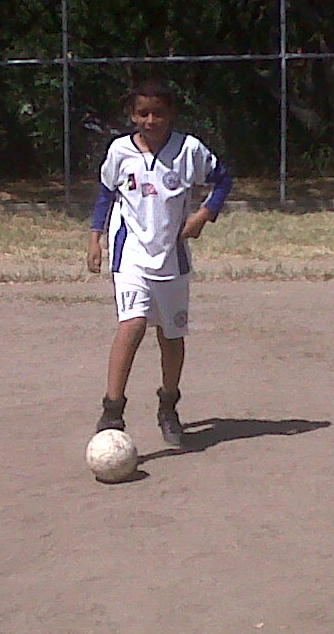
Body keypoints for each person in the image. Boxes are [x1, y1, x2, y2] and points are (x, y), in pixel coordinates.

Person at [86, 78, 234, 445]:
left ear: (171, 114)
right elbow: (106, 194)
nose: (151, 120)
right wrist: (95, 238)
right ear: (132, 115)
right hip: (131, 254)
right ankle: (112, 410)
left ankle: (168, 406)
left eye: (159, 113)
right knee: (132, 323)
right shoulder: (120, 151)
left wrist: (204, 215)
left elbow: (224, 180)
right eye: (143, 113)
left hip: (172, 256)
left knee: (171, 334)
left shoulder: (188, 150)